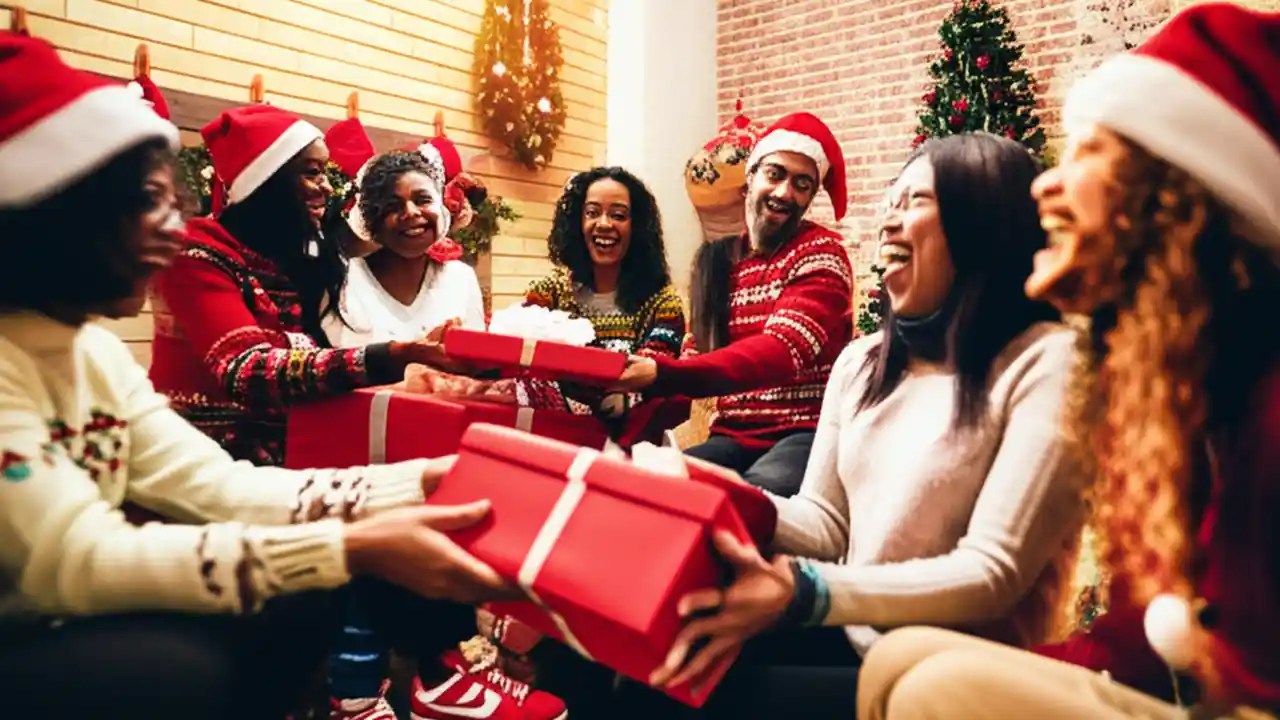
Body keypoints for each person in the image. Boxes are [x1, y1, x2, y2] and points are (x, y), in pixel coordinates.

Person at [0, 32, 571, 720]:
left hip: (264, 463)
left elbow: (220, 484)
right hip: (45, 622)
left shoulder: (88, 351)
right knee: (170, 668)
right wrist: (348, 539)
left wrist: (426, 479)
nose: (167, 227)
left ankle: (428, 679)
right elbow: (75, 560)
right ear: (50, 216)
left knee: (329, 571)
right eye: (142, 202)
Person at [855, 6, 1280, 719]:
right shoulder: (1168, 392)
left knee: (937, 690)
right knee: (907, 657)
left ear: (1171, 196)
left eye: (1088, 156)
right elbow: (1133, 643)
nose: (1044, 186)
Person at [637, 132, 1084, 718]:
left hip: (951, 675)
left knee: (706, 695)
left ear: (982, 225)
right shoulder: (864, 362)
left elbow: (992, 572)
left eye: (916, 203)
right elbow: (825, 524)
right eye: (890, 204)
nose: (889, 223)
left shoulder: (1048, 360)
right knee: (653, 668)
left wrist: (806, 593)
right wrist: (697, 484)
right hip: (856, 628)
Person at [149, 105, 459, 467]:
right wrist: (396, 354)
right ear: (267, 182)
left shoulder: (296, 258)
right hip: (198, 468)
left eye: (325, 172)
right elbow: (248, 370)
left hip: (289, 460)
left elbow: (312, 364)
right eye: (312, 173)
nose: (326, 186)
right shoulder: (198, 254)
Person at [614, 112, 854, 497]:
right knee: (656, 490)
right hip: (732, 435)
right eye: (775, 174)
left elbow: (779, 351)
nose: (785, 192)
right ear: (751, 177)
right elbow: (694, 365)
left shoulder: (820, 253)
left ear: (810, 198)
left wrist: (660, 373)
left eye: (802, 184)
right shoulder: (719, 264)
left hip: (803, 434)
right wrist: (623, 413)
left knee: (750, 500)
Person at [522, 166, 686, 422]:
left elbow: (651, 372)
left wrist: (624, 396)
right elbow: (521, 357)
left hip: (629, 443)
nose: (604, 224)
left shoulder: (662, 302)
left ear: (637, 227)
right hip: (550, 435)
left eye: (618, 215)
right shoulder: (547, 294)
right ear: (577, 223)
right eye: (592, 213)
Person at [323, 149, 486, 348]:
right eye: (393, 206)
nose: (411, 212)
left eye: (423, 200)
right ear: (371, 220)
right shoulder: (343, 279)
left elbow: (475, 362)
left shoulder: (461, 278)